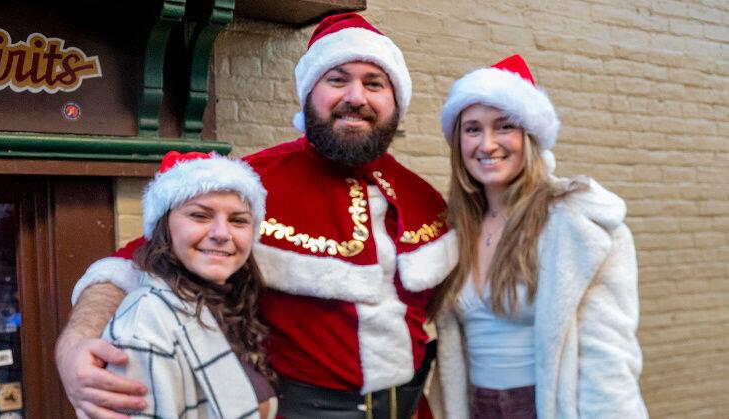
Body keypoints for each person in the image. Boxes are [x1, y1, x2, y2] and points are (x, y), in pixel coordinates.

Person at [56, 12, 458, 419]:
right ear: (309, 93)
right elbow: (133, 263)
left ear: (395, 101)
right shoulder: (247, 185)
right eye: (337, 80)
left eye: (374, 83)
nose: (356, 96)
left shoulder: (424, 197)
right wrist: (76, 341)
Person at [427, 54, 648, 418]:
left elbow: (607, 358)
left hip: (547, 407)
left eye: (504, 126)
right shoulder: (455, 227)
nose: (487, 144)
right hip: (475, 407)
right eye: (473, 129)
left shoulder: (576, 224)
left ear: (529, 135)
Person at [98, 151, 276, 418]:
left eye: (238, 220)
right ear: (164, 227)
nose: (222, 234)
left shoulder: (226, 304)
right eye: (200, 216)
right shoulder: (145, 328)